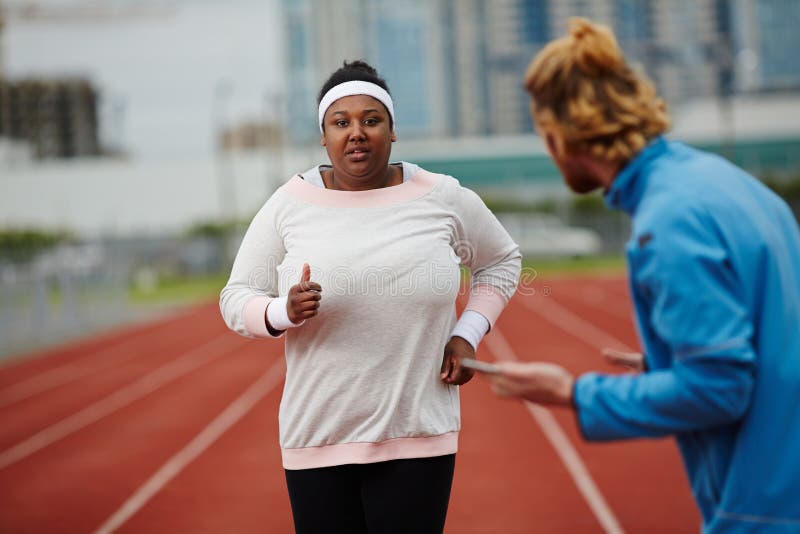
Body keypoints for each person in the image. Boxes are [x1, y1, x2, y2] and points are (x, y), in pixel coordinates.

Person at [482, 18, 800, 533]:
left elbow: (719, 389)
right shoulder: (734, 186)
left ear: (562, 135)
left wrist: (572, 392)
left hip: (762, 508)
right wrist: (667, 362)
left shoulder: (668, 220)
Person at [219, 60, 521, 534]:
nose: (356, 132)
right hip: (318, 437)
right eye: (341, 122)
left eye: (371, 120)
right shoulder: (290, 203)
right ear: (324, 136)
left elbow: (502, 262)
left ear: (392, 130)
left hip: (418, 435)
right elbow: (235, 298)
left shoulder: (441, 197)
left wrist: (468, 334)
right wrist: (283, 310)